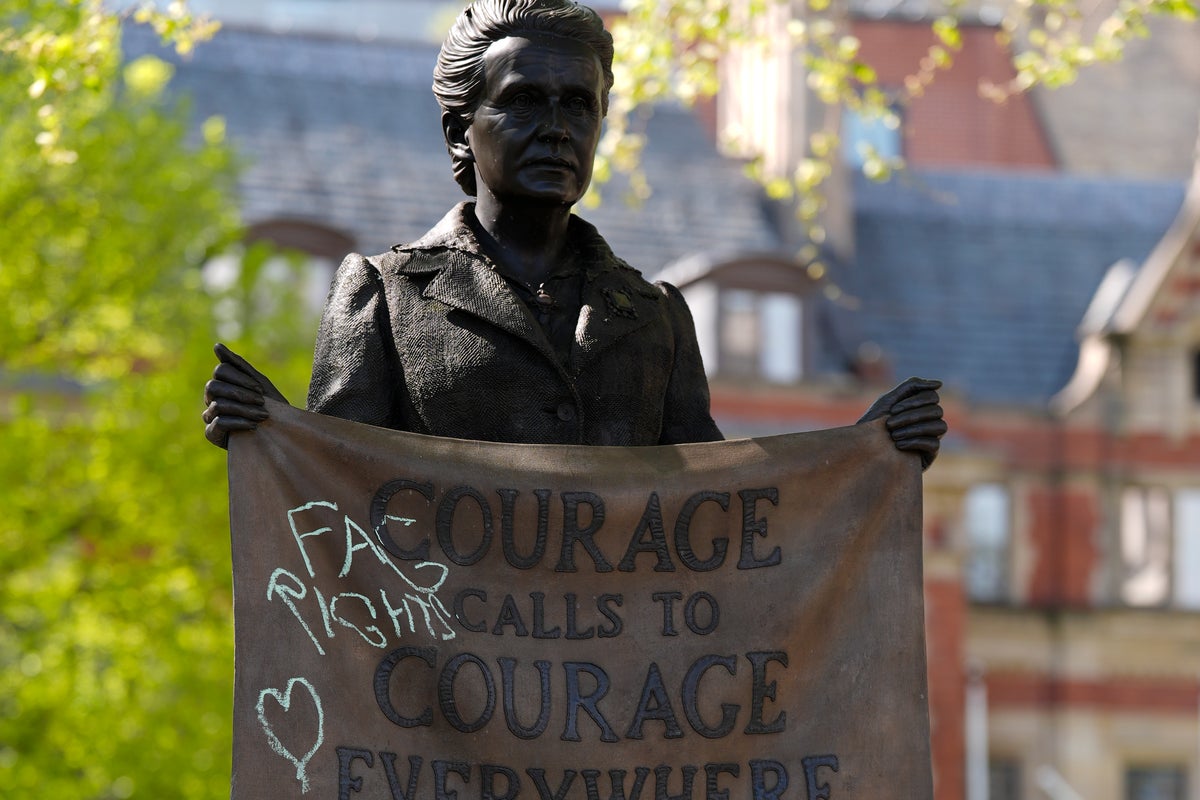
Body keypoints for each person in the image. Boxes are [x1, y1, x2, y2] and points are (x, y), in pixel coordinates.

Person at [203, 0, 946, 463]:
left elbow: (718, 517)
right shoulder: (383, 298)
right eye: (524, 101)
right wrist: (276, 439)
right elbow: (338, 503)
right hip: (442, 694)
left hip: (610, 697)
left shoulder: (655, 317)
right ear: (461, 132)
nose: (557, 130)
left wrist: (856, 459)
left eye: (578, 106)